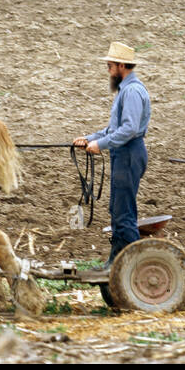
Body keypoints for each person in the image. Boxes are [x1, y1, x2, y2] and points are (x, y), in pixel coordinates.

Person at [72, 42, 151, 267]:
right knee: (117, 210)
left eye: (110, 66)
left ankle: (135, 268)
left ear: (122, 65)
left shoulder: (132, 91)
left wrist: (101, 144)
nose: (108, 70)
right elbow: (113, 129)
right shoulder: (125, 90)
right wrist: (89, 139)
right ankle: (116, 263)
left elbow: (129, 129)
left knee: (123, 213)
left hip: (128, 154)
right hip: (123, 153)